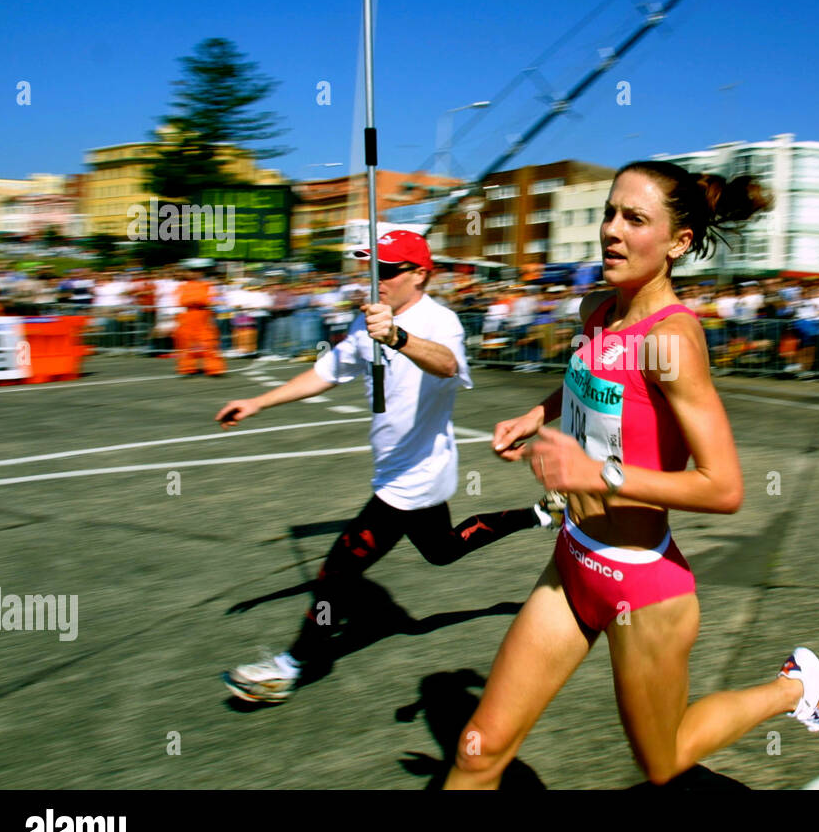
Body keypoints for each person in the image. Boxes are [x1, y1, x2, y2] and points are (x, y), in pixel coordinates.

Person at [442, 162, 819, 790]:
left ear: (677, 243)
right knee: (477, 754)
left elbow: (724, 487)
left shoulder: (675, 341)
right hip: (573, 561)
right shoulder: (596, 309)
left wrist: (597, 472)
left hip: (644, 587)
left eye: (634, 219)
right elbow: (588, 380)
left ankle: (795, 689)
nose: (611, 230)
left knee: (663, 762)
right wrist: (537, 413)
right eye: (610, 212)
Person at [215, 231, 561, 704]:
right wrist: (258, 402)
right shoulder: (368, 324)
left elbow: (447, 364)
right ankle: (540, 515)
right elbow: (325, 372)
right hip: (397, 471)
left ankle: (292, 666)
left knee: (337, 572)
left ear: (420, 275)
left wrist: (396, 336)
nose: (376, 280)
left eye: (388, 270)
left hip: (415, 474)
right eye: (371, 269)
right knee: (442, 551)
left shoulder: (440, 321)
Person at [173, 268, 226, 376]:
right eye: (191, 271)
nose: (194, 274)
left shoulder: (207, 285)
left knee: (209, 343)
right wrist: (199, 301)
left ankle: (214, 369)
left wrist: (198, 301)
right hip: (188, 318)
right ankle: (187, 368)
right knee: (186, 344)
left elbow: (211, 300)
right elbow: (181, 301)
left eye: (196, 271)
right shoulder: (182, 286)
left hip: (203, 318)